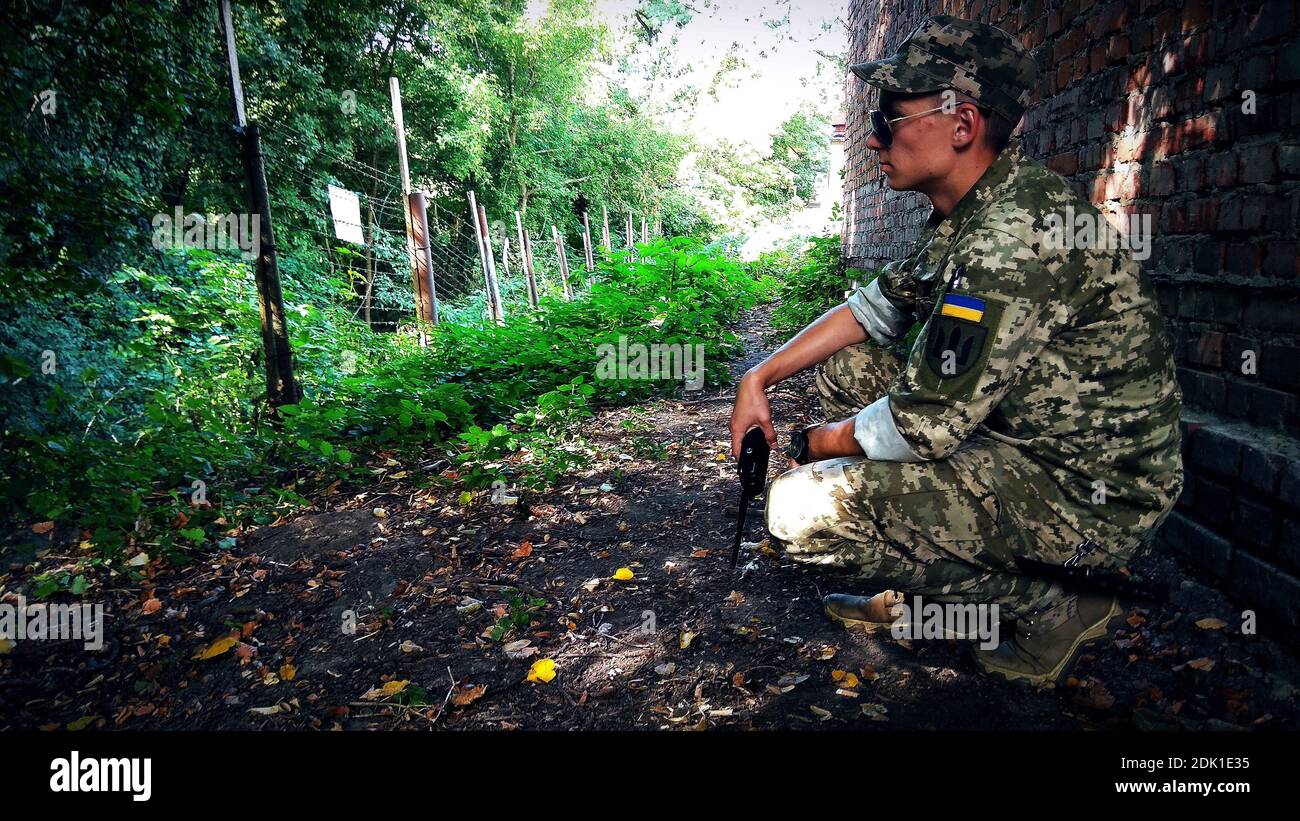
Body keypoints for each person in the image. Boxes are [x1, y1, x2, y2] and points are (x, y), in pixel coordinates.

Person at [728, 15, 1184, 686]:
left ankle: (1054, 606)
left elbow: (920, 425)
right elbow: (872, 309)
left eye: (888, 117)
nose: (873, 137)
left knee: (800, 511)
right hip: (1025, 439)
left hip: (1091, 493)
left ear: (962, 125)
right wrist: (757, 376)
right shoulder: (970, 208)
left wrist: (815, 442)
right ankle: (936, 592)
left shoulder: (1009, 237)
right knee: (848, 366)